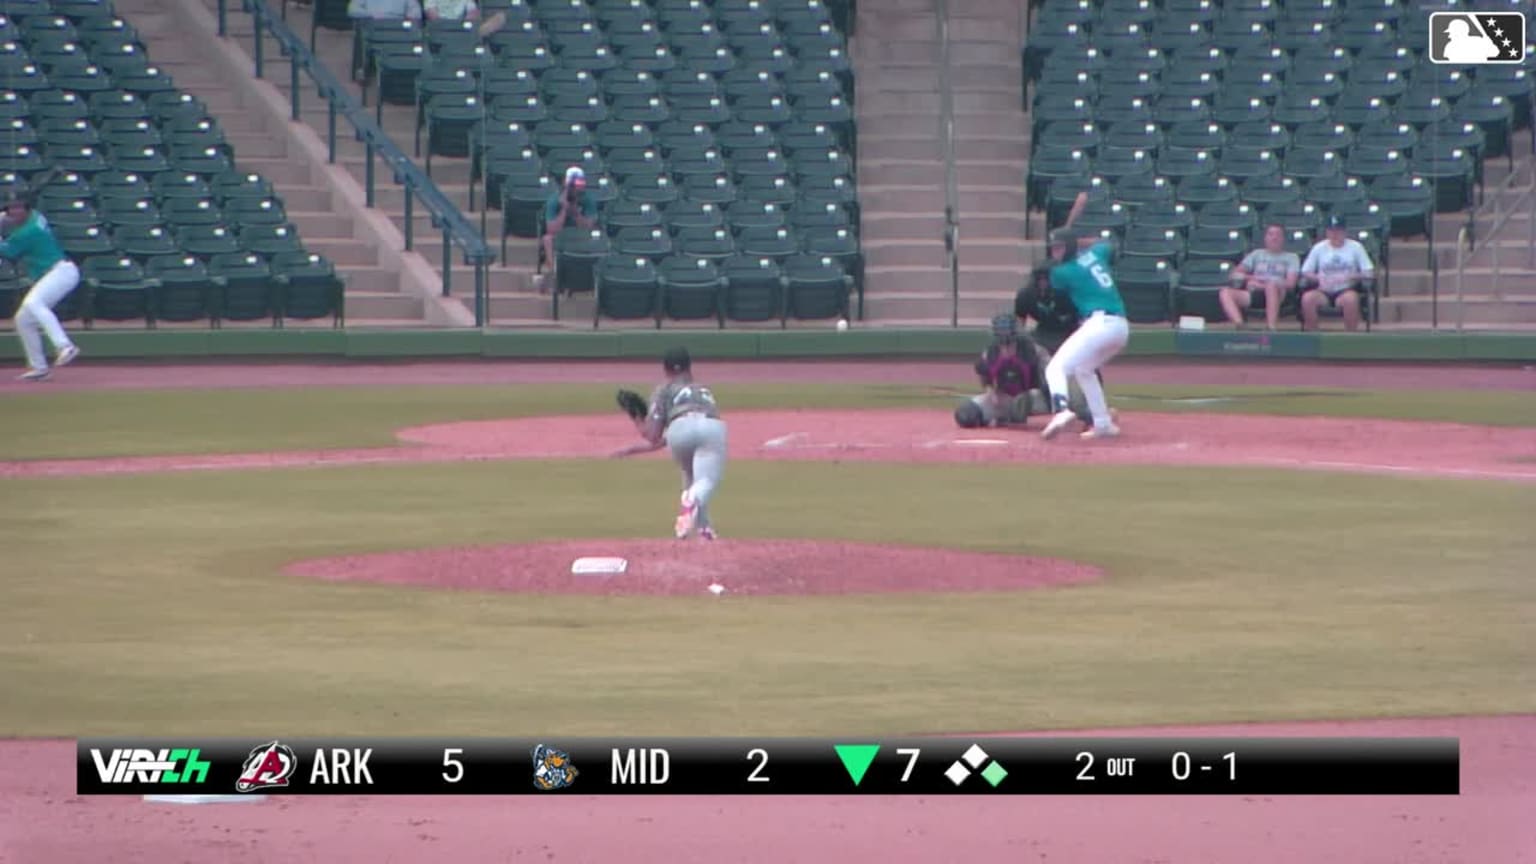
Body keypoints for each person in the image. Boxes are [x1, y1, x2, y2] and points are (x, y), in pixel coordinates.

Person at [1038, 191, 1130, 441]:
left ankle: (1061, 410)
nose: (1055, 252)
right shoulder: (1096, 254)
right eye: (1053, 248)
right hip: (1120, 327)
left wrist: (1071, 242)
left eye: (1059, 248)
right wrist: (1077, 242)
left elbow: (1056, 277)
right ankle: (1102, 424)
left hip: (1099, 324)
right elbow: (1106, 243)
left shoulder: (1061, 273)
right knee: (1084, 369)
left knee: (1055, 367)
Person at [611, 347, 728, 541]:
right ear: (689, 367)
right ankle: (693, 507)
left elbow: (654, 436)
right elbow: (696, 427)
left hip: (679, 430)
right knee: (706, 480)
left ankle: (703, 529)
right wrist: (631, 450)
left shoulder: (664, 390)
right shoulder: (703, 390)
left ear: (665, 369)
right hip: (710, 426)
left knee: (691, 477)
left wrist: (637, 418)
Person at [2, 187, 81, 381]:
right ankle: (39, 368)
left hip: (60, 272)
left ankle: (65, 346)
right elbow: (9, 219)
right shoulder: (36, 216)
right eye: (11, 208)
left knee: (33, 303)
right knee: (23, 320)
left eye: (19, 207)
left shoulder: (28, 232)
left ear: (27, 208)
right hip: (55, 273)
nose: (14, 211)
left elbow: (8, 252)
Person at [955, 314, 1053, 429]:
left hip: (1036, 398)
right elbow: (984, 376)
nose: (1006, 348)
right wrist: (992, 392)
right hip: (1006, 398)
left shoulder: (1034, 352)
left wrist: (1035, 395)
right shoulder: (990, 354)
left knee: (1022, 401)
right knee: (966, 414)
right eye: (1002, 343)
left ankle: (1010, 416)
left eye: (1009, 343)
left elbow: (1050, 381)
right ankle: (1002, 417)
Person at [1299, 214, 1375, 332]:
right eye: (1331, 231)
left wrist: (1351, 276)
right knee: (1307, 299)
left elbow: (1369, 272)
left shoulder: (1356, 247)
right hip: (1323, 289)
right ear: (1327, 232)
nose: (1335, 234)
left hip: (1346, 289)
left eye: (1338, 231)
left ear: (1344, 232)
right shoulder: (1319, 248)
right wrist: (1318, 277)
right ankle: (1313, 334)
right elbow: (1305, 271)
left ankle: (1350, 335)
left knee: (1350, 300)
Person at [1219, 223, 1301, 331]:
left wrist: (1266, 283)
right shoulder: (1256, 254)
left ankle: (1271, 327)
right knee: (1225, 292)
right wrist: (1252, 278)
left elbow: (1291, 283)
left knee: (1271, 286)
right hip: (1255, 293)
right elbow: (1235, 275)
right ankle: (1240, 325)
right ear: (1265, 238)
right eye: (1270, 234)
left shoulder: (1291, 257)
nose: (1274, 238)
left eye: (1278, 235)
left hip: (1279, 293)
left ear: (1283, 239)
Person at [537, 166, 600, 294]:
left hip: (581, 237)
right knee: (547, 239)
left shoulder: (588, 200)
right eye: (574, 185)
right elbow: (551, 230)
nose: (577, 189)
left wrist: (576, 213)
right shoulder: (555, 200)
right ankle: (556, 275)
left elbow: (589, 228)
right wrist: (564, 210)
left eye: (580, 184)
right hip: (561, 237)